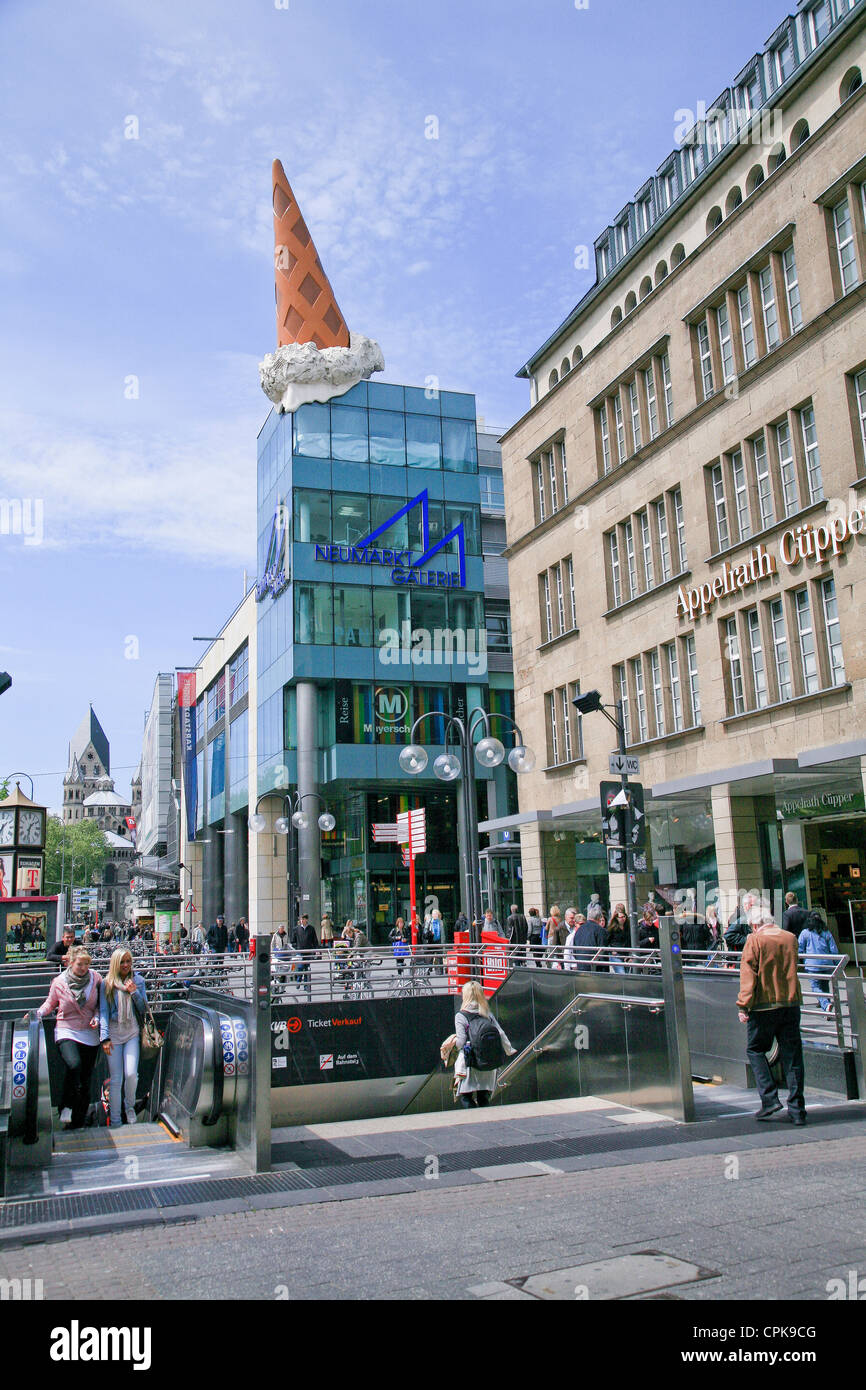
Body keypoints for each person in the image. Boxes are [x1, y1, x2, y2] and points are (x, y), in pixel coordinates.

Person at [737, 907, 806, 1124]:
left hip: (763, 1007)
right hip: (790, 1003)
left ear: (755, 925)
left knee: (755, 1049)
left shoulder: (755, 941)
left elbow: (749, 975)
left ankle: (769, 1098)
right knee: (792, 1056)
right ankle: (797, 1110)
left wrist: (743, 1006)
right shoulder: (790, 938)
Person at [36, 947, 102, 1129]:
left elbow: (98, 1004)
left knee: (85, 1081)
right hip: (67, 1029)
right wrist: (38, 1013)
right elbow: (51, 1003)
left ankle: (78, 1121)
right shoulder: (59, 982)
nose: (83, 968)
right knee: (74, 1065)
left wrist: (96, 1018)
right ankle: (65, 1105)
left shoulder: (95, 978)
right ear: (71, 963)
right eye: (80, 964)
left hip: (89, 1033)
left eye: (87, 964)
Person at [99, 948, 147, 1127]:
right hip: (114, 1034)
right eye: (122, 962)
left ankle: (130, 1107)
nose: (126, 965)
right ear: (115, 964)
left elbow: (143, 1010)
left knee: (131, 1074)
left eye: (128, 961)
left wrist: (134, 992)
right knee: (116, 1078)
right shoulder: (107, 984)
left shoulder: (139, 981)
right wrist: (104, 1038)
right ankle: (116, 1118)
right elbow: (103, 1012)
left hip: (132, 1032)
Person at [453, 980, 516, 1108]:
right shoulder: (487, 1013)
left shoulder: (461, 1016)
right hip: (489, 1060)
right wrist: (509, 1049)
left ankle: (474, 1121)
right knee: (483, 1097)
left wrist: (452, 1045)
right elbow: (500, 1033)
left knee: (466, 1096)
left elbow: (460, 1042)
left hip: (470, 1061)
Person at [798, 910, 838, 1013]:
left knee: (815, 987)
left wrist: (800, 960)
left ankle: (825, 1005)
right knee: (825, 987)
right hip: (827, 964)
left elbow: (799, 948)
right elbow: (833, 949)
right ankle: (827, 1009)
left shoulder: (805, 933)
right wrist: (836, 964)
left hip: (812, 965)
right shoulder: (826, 932)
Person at [291, 914, 319, 994]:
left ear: (306, 920)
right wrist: (296, 948)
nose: (302, 921)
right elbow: (293, 941)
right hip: (300, 951)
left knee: (307, 968)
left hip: (308, 951)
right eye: (301, 919)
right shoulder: (296, 929)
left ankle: (306, 985)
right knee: (300, 967)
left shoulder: (311, 929)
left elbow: (315, 940)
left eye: (303, 919)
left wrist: (316, 950)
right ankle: (299, 980)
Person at [607, 907, 630, 974]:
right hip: (616, 955)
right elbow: (606, 941)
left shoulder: (628, 927)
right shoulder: (612, 928)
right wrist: (611, 950)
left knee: (629, 974)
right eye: (620, 917)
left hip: (627, 955)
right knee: (621, 973)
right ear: (616, 918)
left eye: (624, 916)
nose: (622, 919)